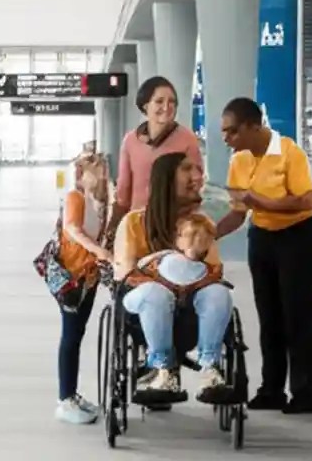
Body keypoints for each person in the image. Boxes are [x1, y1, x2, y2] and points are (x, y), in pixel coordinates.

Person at [214, 97, 312, 414]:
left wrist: (260, 200)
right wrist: (208, 234)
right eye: (224, 132)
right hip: (262, 237)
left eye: (232, 132)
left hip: (297, 236)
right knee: (269, 315)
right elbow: (237, 214)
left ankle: (305, 392)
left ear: (253, 126)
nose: (226, 139)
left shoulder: (289, 152)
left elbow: (307, 201)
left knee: (297, 316)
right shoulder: (239, 161)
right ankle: (271, 389)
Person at [112, 152, 233, 403]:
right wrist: (163, 273)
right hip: (144, 306)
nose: (197, 177)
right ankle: (162, 370)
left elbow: (213, 271)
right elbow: (125, 274)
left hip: (190, 305)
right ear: (167, 180)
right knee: (155, 294)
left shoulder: (200, 225)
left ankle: (209, 368)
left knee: (219, 292)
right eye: (187, 170)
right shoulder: (135, 222)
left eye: (198, 170)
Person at [54, 154, 112, 424]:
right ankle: (65, 399)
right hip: (72, 278)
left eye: (102, 171)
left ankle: (72, 395)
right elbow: (72, 229)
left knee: (76, 334)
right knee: (70, 335)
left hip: (88, 277)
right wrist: (100, 251)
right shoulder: (74, 198)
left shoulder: (97, 202)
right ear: (80, 175)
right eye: (95, 172)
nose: (100, 177)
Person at [108, 77, 204, 243]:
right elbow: (124, 189)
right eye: (159, 101)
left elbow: (196, 182)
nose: (167, 107)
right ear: (145, 106)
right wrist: (114, 227)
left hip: (176, 225)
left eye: (172, 102)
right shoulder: (131, 140)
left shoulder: (187, 139)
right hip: (138, 224)